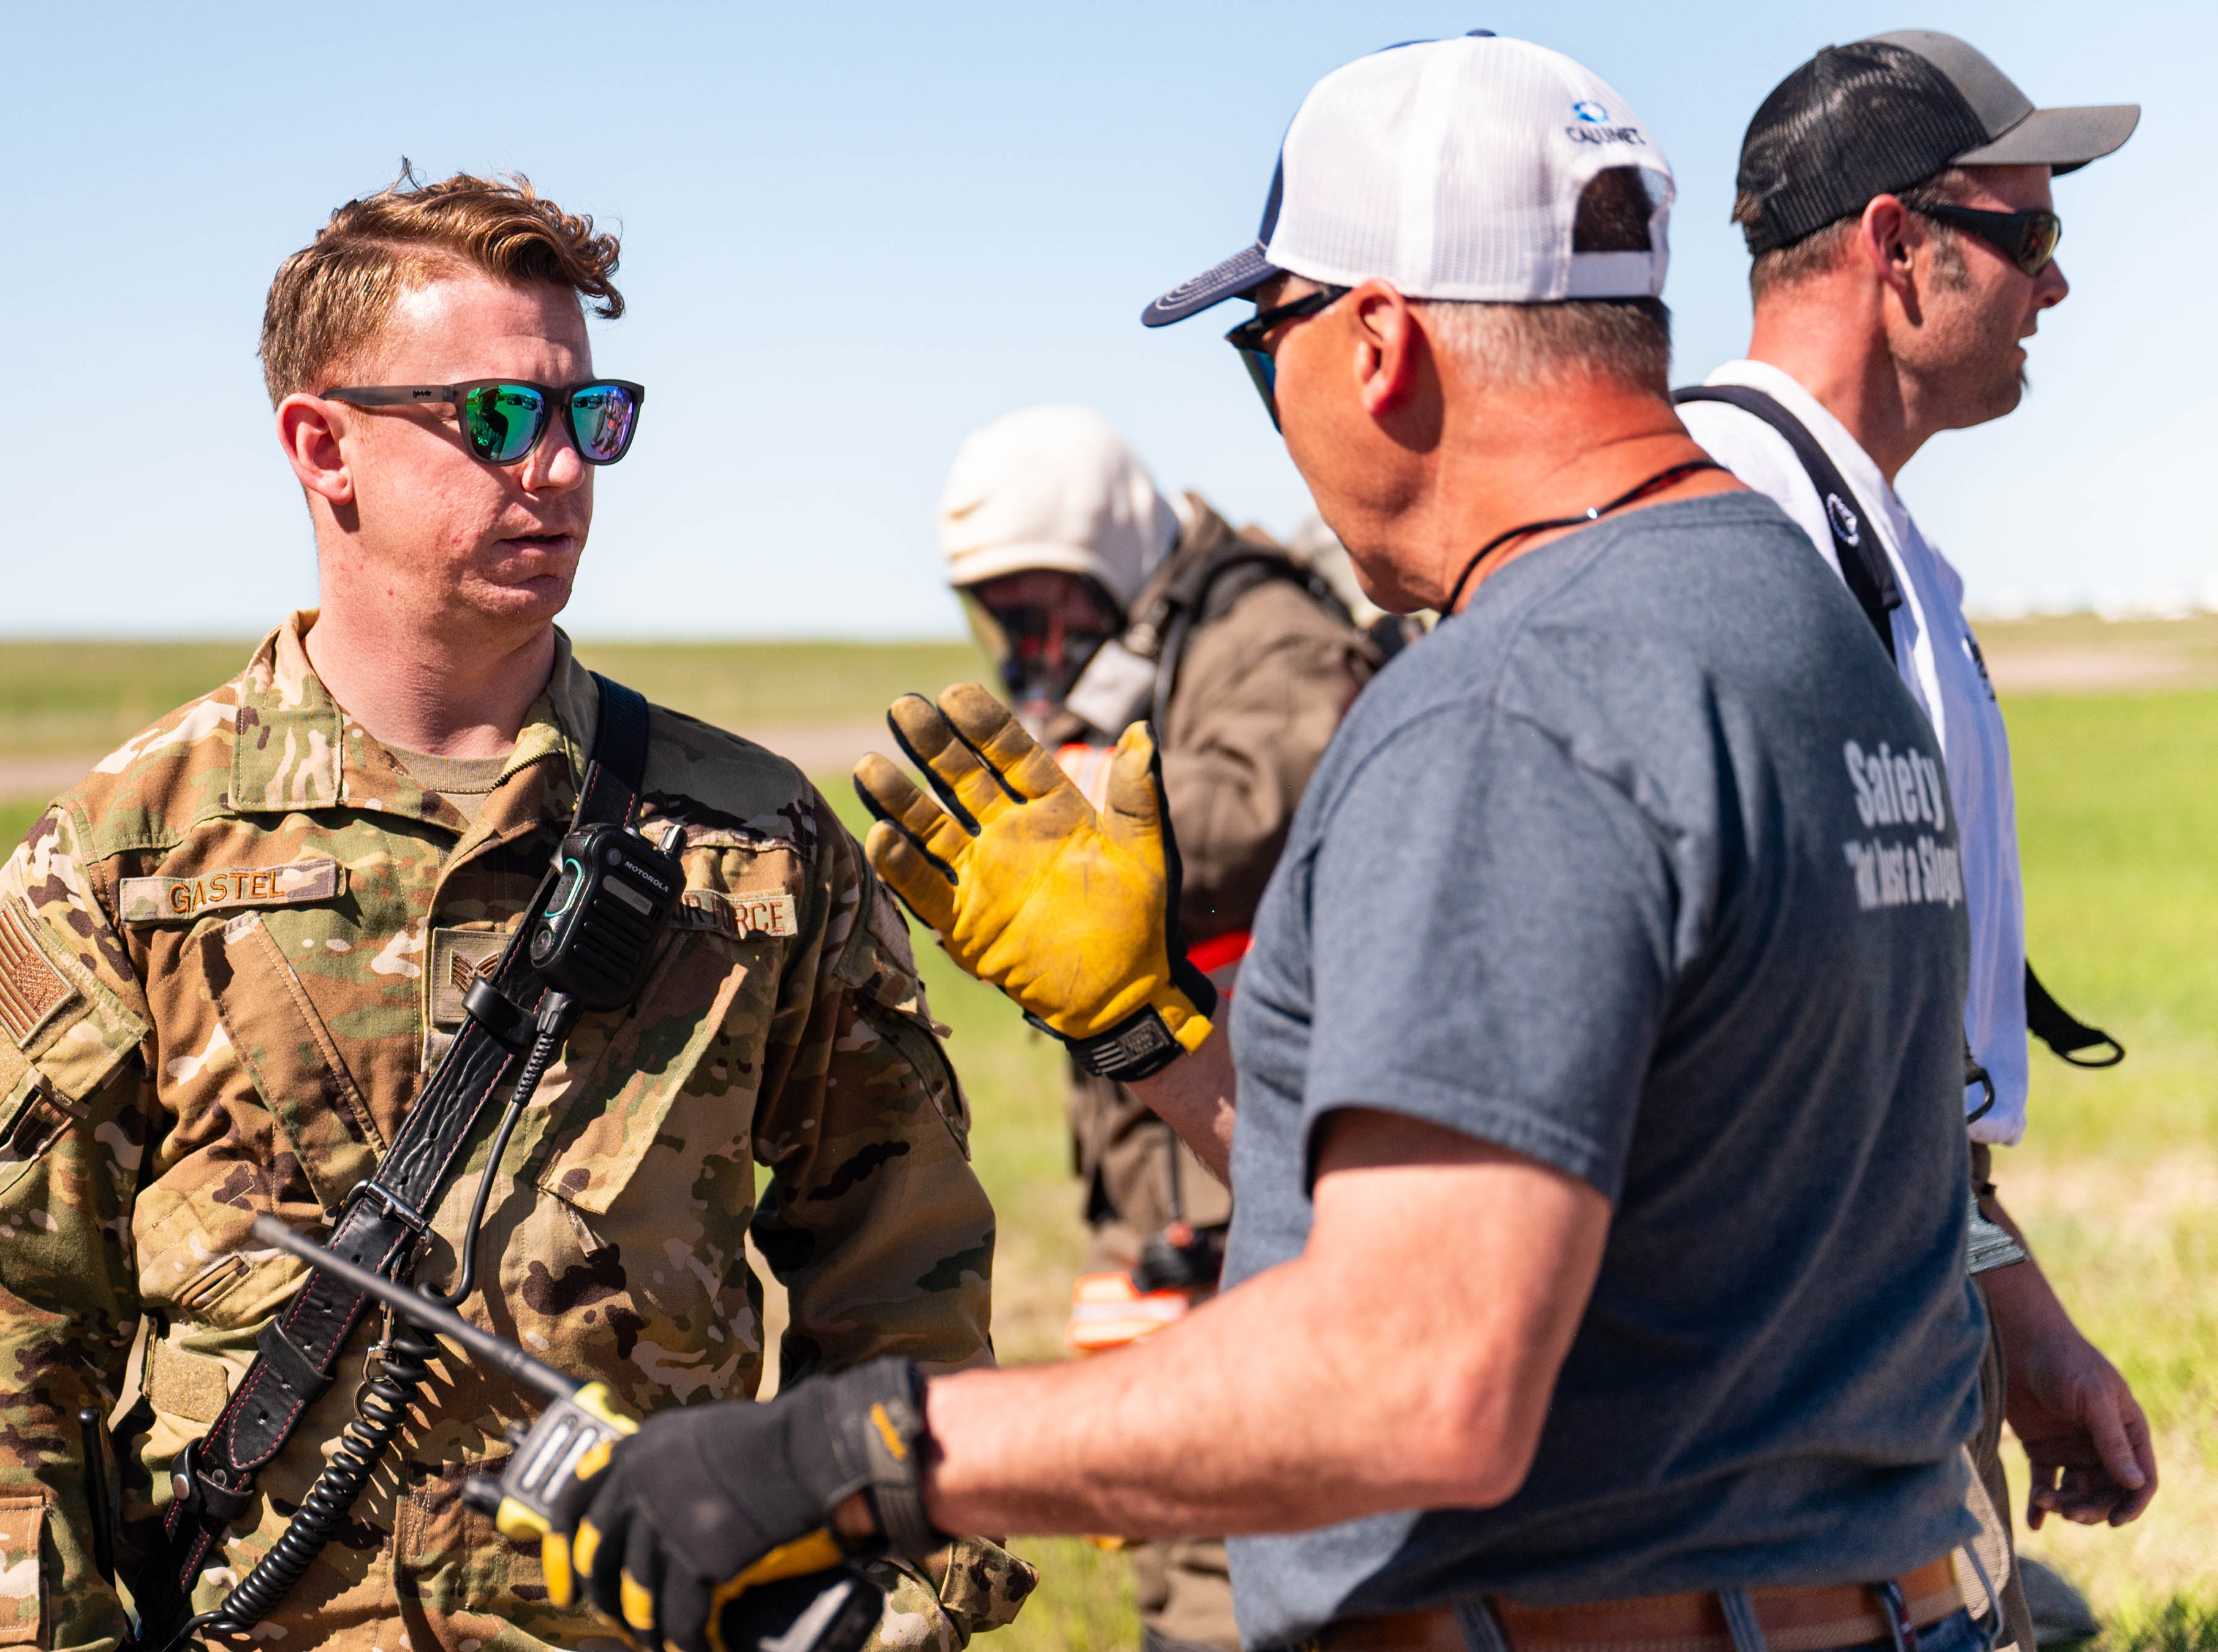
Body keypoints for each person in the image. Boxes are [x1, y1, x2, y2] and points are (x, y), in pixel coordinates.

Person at [524, 37, 2006, 1652]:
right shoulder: (1787, 616)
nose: (1270, 406)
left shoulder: (1512, 708)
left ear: (1376, 343)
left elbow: (1415, 1378)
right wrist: (1155, 1037)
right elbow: (1611, 1215)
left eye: (1262, 343)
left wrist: (857, 1451)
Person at [0, 172, 1032, 1652]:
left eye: (585, 419)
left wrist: (895, 1594)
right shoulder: (130, 857)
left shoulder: (751, 840)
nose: (554, 469)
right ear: (319, 444)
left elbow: (899, 1260)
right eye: (493, 419)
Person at [1675, 34, 2154, 1647]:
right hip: (1793, 1387)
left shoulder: (1875, 539)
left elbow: (1904, 1065)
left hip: (1897, 1308)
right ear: (1898, 247)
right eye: (2030, 238)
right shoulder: (1729, 537)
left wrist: (2011, 1316)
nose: (2056, 288)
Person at [939, 404, 1377, 1651]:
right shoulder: (1139, 658)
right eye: (1004, 612)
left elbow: (1251, 805)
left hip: (1271, 1173)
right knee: (1189, 1518)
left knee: (1240, 1550)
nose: (1034, 640)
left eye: (1049, 604)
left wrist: (1074, 820)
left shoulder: (1266, 634)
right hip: (1188, 1165)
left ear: (1114, 558)